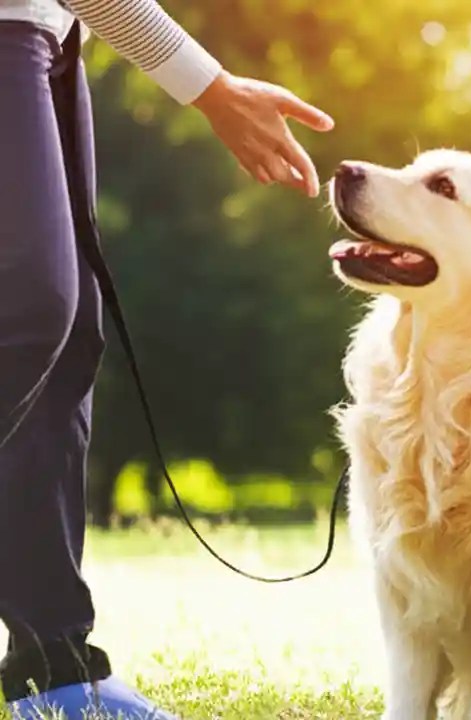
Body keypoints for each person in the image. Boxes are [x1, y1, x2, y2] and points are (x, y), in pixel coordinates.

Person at [0, 0, 332, 715]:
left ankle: (53, 669)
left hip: (48, 32)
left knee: (66, 346)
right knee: (28, 314)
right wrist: (210, 86)